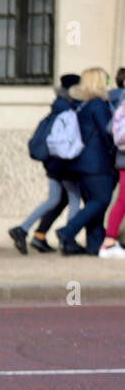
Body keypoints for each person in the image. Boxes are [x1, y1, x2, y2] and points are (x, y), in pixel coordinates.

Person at [8, 74, 82, 254]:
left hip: (51, 162)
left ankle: (23, 229)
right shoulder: (68, 109)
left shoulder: (57, 106)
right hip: (62, 162)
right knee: (74, 199)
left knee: (53, 199)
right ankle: (67, 238)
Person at [54, 67, 117, 256]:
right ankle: (67, 231)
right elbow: (109, 133)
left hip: (82, 163)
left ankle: (94, 245)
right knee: (101, 200)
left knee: (93, 203)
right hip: (97, 163)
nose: (108, 85)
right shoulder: (98, 105)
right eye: (106, 81)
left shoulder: (81, 105)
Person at [96, 68, 125, 258]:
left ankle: (109, 241)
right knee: (122, 200)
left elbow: (109, 128)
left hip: (121, 157)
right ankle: (108, 242)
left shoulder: (114, 101)